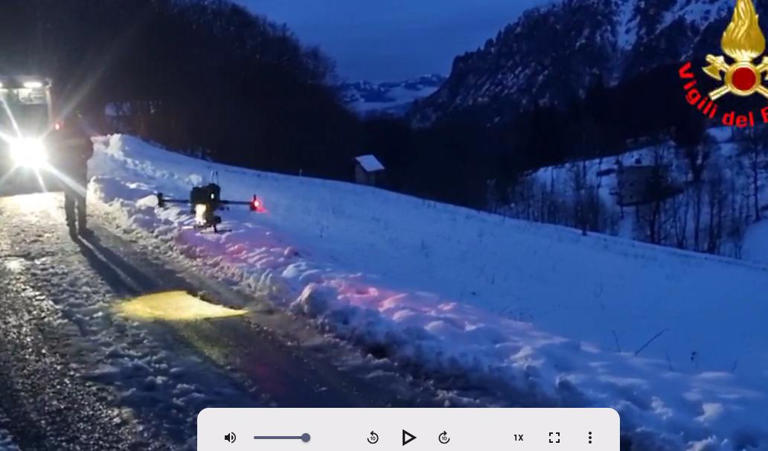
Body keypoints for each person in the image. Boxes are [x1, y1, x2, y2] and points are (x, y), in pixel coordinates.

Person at [55, 113, 93, 234]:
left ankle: (71, 224)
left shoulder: (60, 136)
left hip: (67, 171)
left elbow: (54, 153)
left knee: (69, 198)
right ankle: (82, 227)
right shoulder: (81, 134)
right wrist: (83, 158)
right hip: (79, 169)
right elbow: (90, 150)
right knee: (81, 199)